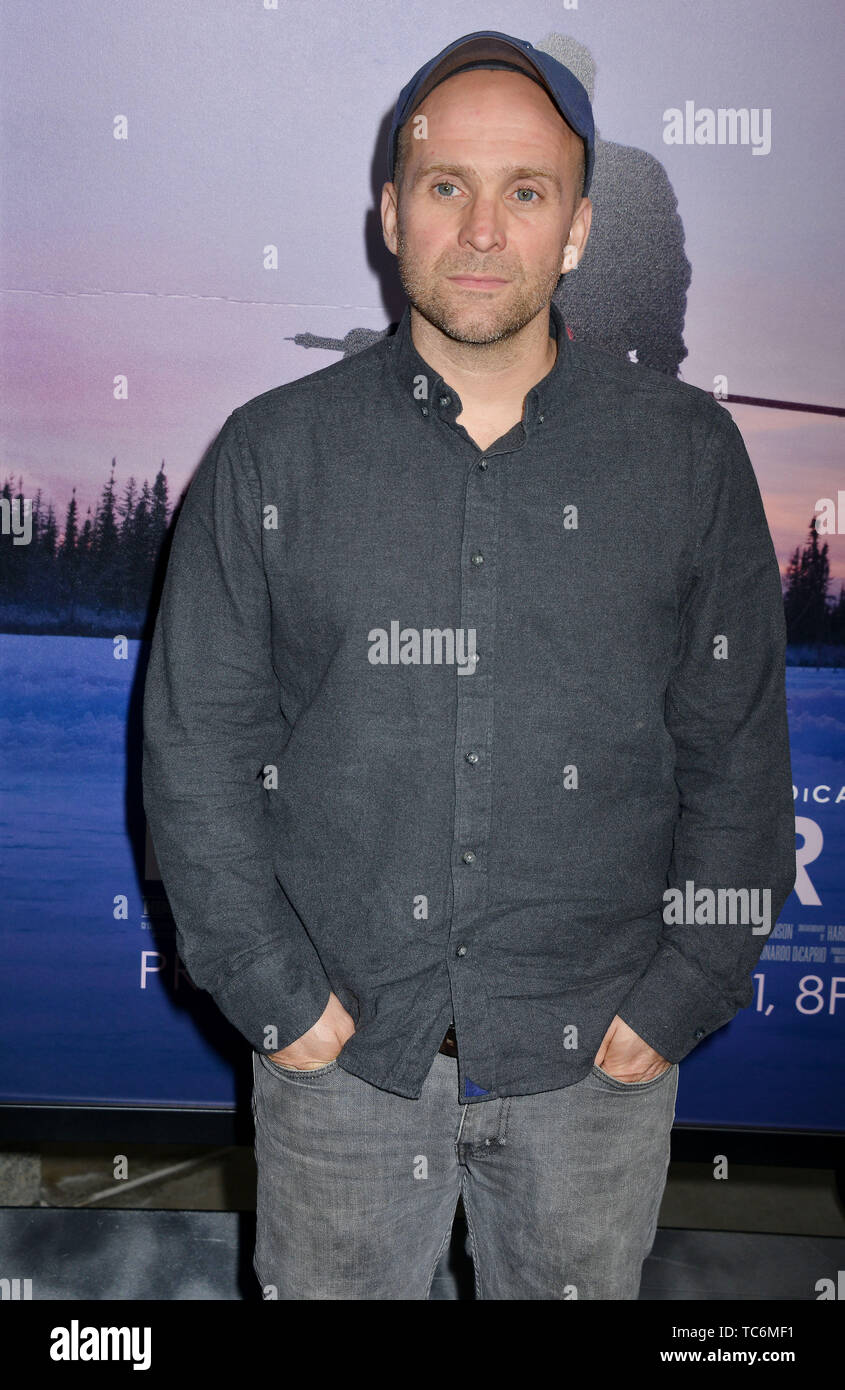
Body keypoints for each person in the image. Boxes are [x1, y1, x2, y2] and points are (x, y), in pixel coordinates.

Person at [142, 31, 795, 1299]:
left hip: (590, 1077)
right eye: (447, 188)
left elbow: (735, 759)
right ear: (391, 213)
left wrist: (674, 1001)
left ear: (580, 229)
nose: (484, 228)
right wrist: (288, 1006)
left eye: (526, 192)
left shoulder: (685, 458)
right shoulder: (272, 458)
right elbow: (195, 756)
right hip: (341, 1073)